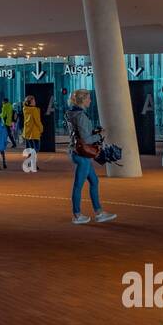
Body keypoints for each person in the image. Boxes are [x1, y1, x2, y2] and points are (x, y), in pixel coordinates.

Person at [65, 89, 117, 225]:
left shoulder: (71, 113)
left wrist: (93, 132)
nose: (90, 100)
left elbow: (80, 133)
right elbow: (86, 139)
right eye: (88, 98)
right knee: (78, 185)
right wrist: (100, 135)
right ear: (82, 100)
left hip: (77, 151)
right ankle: (77, 215)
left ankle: (99, 212)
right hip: (82, 154)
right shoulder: (81, 115)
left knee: (94, 181)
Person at [22, 95, 43, 172]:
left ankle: (31, 164)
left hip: (27, 132)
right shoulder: (34, 110)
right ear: (30, 102)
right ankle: (30, 163)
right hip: (34, 133)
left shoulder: (25, 109)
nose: (35, 102)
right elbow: (37, 121)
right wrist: (41, 129)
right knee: (36, 149)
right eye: (33, 101)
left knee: (31, 150)